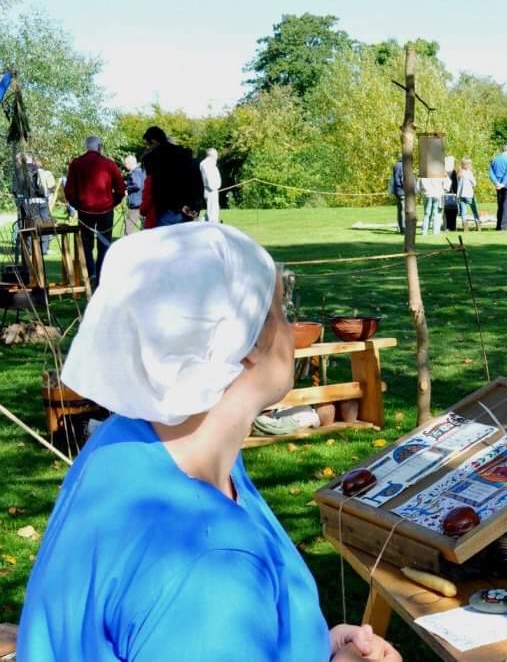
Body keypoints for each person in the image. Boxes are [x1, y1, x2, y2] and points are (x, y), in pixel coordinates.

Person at [18, 223, 400, 662]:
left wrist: (311, 646)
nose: (289, 325)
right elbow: (199, 614)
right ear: (249, 340)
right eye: (279, 307)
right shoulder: (209, 566)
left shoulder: (137, 443)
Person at [65, 136, 126, 288]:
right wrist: (113, 202)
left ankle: (91, 273)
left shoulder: (76, 163)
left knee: (86, 245)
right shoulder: (109, 164)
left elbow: (69, 190)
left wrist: (77, 204)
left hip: (85, 210)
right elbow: (120, 188)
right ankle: (101, 277)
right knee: (104, 245)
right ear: (99, 147)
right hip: (105, 210)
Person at [139, 126, 203, 228]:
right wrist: (195, 205)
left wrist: (145, 208)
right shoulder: (185, 155)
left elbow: (151, 187)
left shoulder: (154, 158)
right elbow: (198, 182)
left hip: (167, 211)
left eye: (148, 145)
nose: (147, 148)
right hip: (187, 210)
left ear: (154, 142)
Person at [488, 144, 507, 230]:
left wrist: (496, 183)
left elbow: (491, 173)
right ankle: (503, 226)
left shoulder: (495, 159)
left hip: (498, 185)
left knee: (500, 206)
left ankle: (498, 225)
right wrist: (503, 183)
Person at [122, 155, 146, 236]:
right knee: (145, 227)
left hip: (136, 204)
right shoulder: (142, 171)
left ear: (129, 163)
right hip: (143, 202)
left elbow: (137, 185)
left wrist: (127, 188)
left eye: (125, 163)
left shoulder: (134, 172)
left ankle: (125, 244)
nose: (125, 165)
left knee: (128, 227)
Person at [457, 158, 481, 227]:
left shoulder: (460, 173)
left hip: (461, 195)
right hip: (469, 194)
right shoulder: (469, 173)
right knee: (474, 210)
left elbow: (459, 184)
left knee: (464, 212)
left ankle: (465, 225)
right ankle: (478, 223)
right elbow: (474, 183)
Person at [200, 148, 222, 224]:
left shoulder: (210, 163)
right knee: (212, 212)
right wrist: (213, 187)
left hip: (212, 190)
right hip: (210, 190)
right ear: (212, 155)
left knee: (212, 211)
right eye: (216, 154)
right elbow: (208, 177)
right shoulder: (206, 164)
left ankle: (203, 224)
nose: (217, 156)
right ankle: (212, 226)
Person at [389, 158, 406, 233]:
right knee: (403, 210)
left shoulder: (396, 165)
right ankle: (403, 228)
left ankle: (400, 227)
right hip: (402, 191)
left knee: (399, 210)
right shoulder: (403, 166)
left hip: (397, 191)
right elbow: (402, 179)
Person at [443, 154, 459, 231]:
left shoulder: (443, 172)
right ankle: (452, 227)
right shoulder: (453, 172)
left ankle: (446, 227)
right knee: (452, 211)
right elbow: (455, 185)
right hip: (452, 195)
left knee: (446, 212)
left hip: (445, 194)